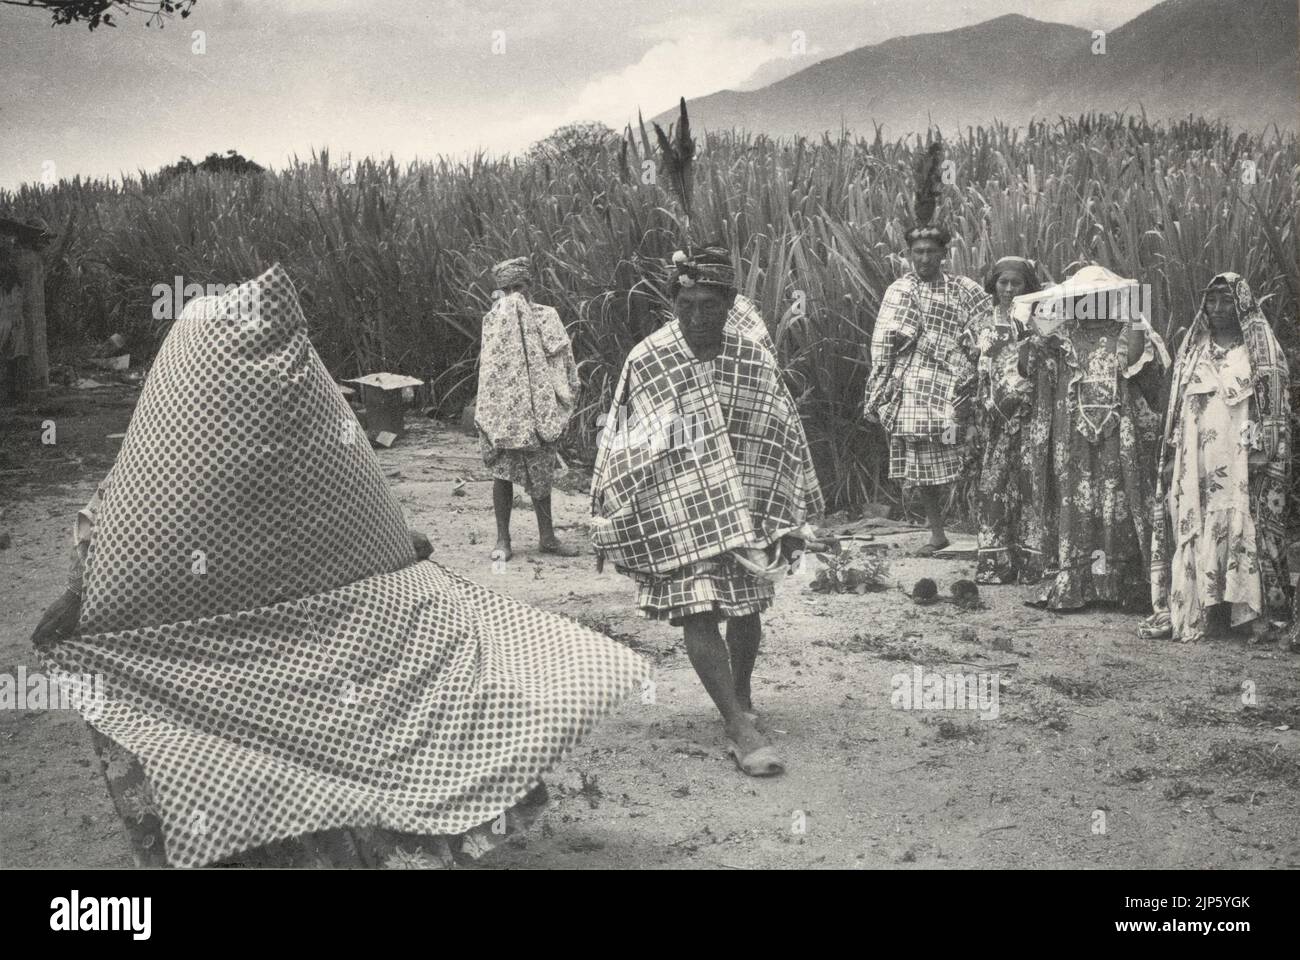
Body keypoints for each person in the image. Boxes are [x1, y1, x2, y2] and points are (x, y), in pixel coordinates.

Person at [30, 263, 649, 868]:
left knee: (260, 764)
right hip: (320, 667)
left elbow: (120, 556)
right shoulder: (302, 432)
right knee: (357, 747)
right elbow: (361, 515)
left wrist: (83, 611)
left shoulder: (170, 461)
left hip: (238, 682)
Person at [591, 245, 824, 777]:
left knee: (745, 606)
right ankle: (739, 728)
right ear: (674, 301)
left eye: (710, 306)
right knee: (696, 605)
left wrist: (784, 514)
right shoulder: (649, 358)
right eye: (687, 305)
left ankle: (739, 698)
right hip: (676, 505)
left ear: (729, 303)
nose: (698, 317)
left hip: (742, 503)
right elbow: (624, 439)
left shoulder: (750, 358)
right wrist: (616, 507)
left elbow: (777, 435)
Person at [1142, 273, 1292, 642]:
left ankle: (1246, 612)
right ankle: (1205, 610)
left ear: (1242, 304)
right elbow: (1176, 409)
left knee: (1238, 515)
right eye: (1212, 300)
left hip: (1240, 454)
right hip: (1197, 454)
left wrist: (1261, 450)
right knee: (1195, 518)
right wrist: (1173, 453)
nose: (1219, 309)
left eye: (1227, 301)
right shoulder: (1194, 350)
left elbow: (1272, 407)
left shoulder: (1260, 352)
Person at [1019, 264, 1169, 611]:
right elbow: (1026, 364)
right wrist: (1039, 320)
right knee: (1077, 502)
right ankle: (1079, 581)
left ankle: (1117, 585)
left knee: (1116, 501)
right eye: (1083, 295)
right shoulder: (1061, 334)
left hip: (1120, 433)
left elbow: (1137, 364)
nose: (1091, 300)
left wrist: (1134, 318)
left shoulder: (1129, 329)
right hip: (1071, 436)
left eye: (1100, 295)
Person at [864, 224, 992, 554]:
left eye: (931, 251)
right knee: (921, 455)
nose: (924, 258)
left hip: (959, 376)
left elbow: (986, 330)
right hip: (915, 382)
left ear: (944, 254)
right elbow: (884, 342)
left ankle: (989, 533)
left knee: (974, 453)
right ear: (909, 255)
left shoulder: (964, 289)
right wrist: (880, 389)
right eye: (917, 252)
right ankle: (937, 533)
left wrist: (968, 359)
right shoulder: (900, 291)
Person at [475, 256, 581, 562]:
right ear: (499, 292)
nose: (514, 298)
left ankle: (547, 538)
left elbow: (563, 360)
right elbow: (490, 370)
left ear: (530, 287)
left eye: (518, 288)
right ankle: (502, 539)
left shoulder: (547, 317)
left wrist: (561, 395)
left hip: (539, 410)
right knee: (502, 473)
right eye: (507, 291)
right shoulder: (494, 320)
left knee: (541, 474)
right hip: (506, 413)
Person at [973, 256, 1049, 583]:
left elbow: (1047, 365)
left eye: (1015, 283)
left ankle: (1032, 565)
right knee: (996, 484)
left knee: (1032, 485)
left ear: (1028, 287)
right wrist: (980, 409)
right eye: (1002, 282)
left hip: (1032, 416)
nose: (1007, 289)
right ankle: (996, 564)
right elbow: (974, 371)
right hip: (995, 419)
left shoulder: (1041, 321)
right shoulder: (982, 323)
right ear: (994, 284)